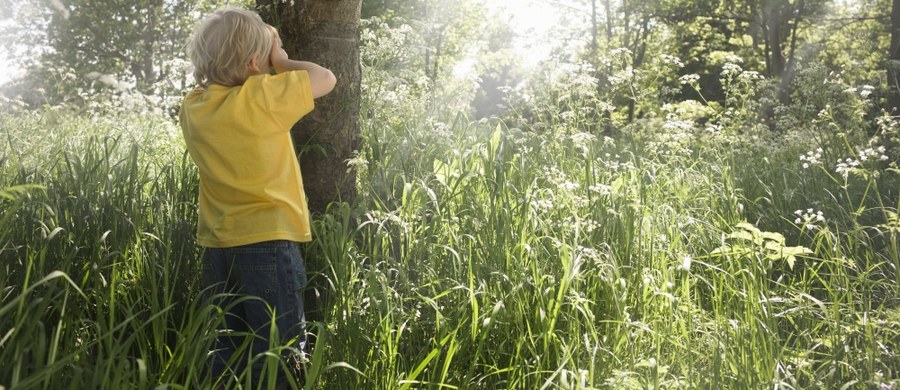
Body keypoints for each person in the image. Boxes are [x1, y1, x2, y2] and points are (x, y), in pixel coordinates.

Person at [179, 6, 336, 388]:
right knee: (280, 350)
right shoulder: (262, 97)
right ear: (255, 63)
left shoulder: (193, 107)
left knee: (227, 346)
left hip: (218, 245)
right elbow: (325, 78)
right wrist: (281, 61)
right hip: (268, 241)